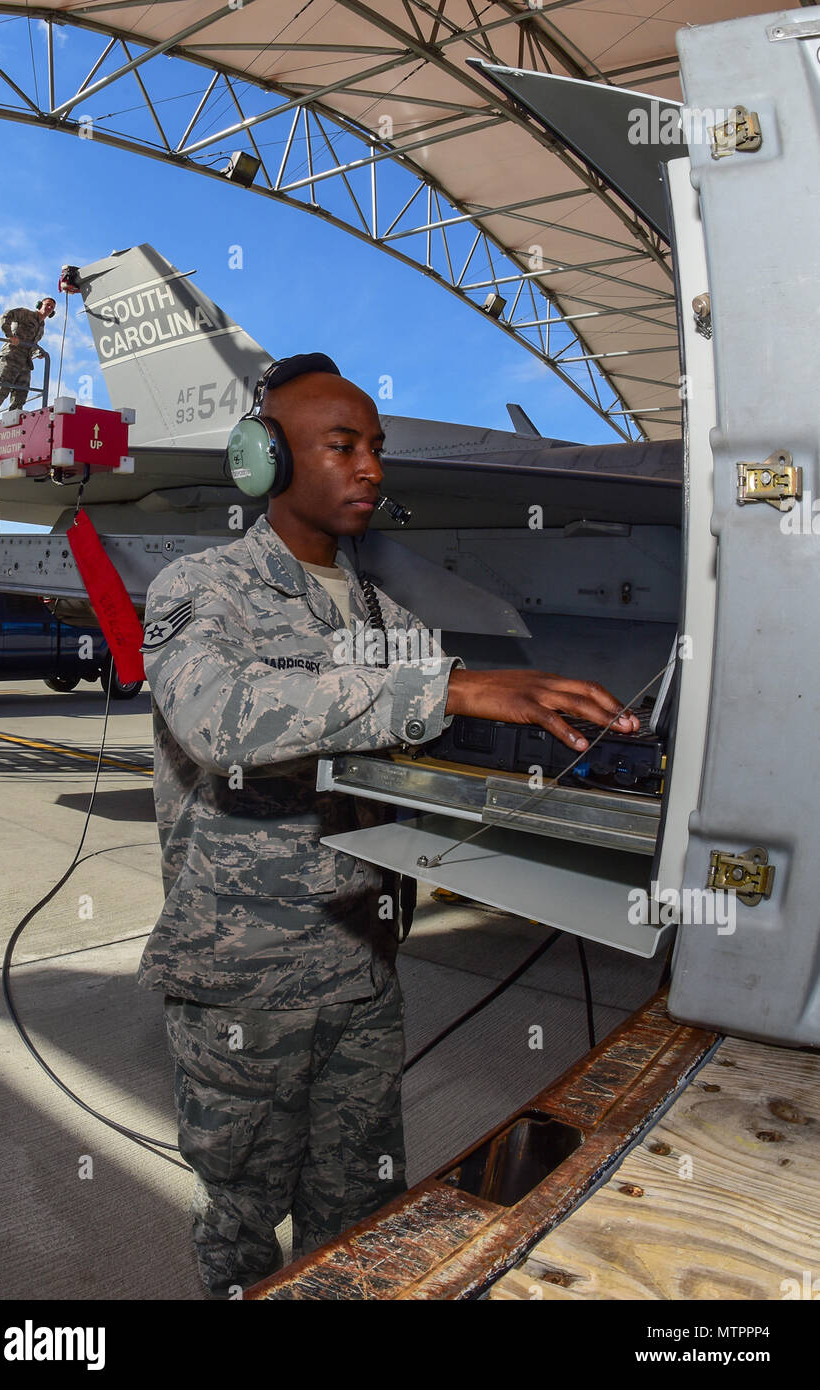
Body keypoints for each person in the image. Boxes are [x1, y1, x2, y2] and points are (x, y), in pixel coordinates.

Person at [139, 353, 639, 1296]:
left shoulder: (385, 612)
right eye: (342, 446)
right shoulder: (199, 589)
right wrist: (447, 688)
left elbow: (438, 727)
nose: (372, 467)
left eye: (377, 448)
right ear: (266, 461)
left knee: (363, 1217)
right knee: (241, 1230)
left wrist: (594, 747)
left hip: (364, 968)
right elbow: (219, 718)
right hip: (244, 983)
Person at [0, 296, 55, 420]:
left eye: (52, 307)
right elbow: (5, 316)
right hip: (11, 356)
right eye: (47, 304)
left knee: (21, 394)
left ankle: (12, 422)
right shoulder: (26, 314)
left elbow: (32, 344)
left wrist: (38, 352)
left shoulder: (42, 326)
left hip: (25, 363)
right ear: (39, 305)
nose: (49, 308)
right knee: (2, 388)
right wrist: (10, 335)